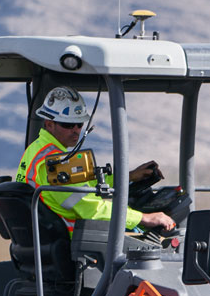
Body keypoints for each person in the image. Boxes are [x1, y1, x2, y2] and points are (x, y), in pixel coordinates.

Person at [16, 87, 176, 234]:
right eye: (68, 124)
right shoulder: (56, 163)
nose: (75, 131)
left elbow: (82, 186)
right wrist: (144, 218)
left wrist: (129, 176)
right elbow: (91, 208)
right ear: (49, 124)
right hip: (74, 243)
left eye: (79, 124)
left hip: (50, 239)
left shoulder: (37, 149)